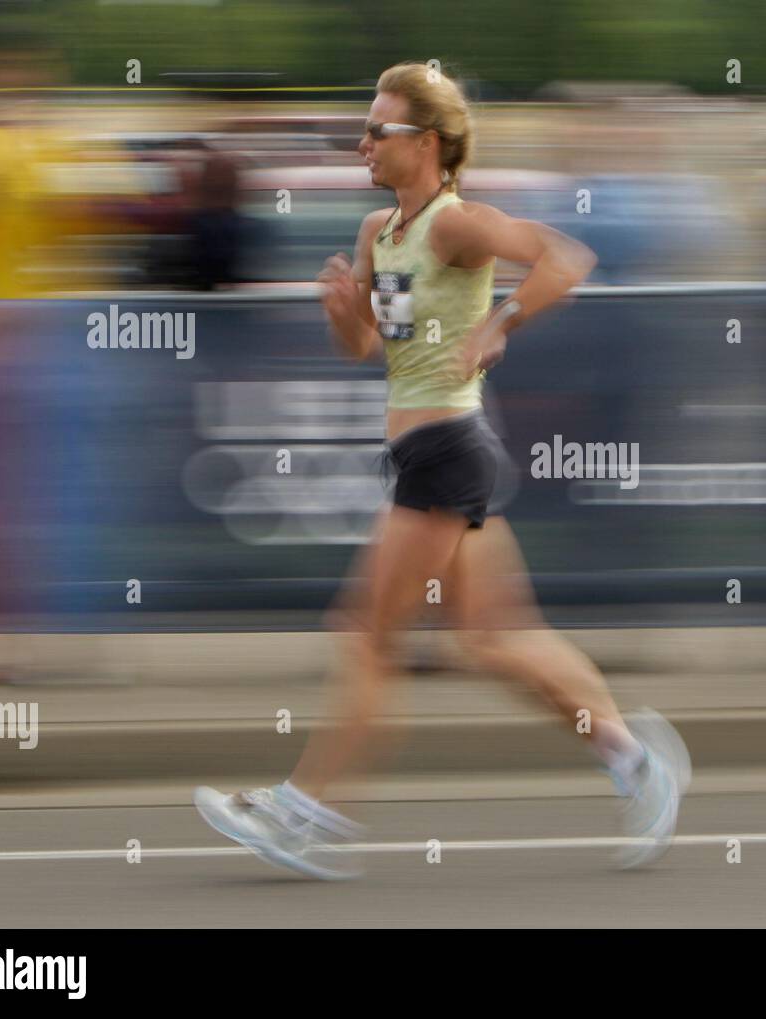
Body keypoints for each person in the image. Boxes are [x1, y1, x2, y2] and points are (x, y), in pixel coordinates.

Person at [194, 62, 690, 878]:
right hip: (430, 453)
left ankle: (305, 813)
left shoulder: (457, 226)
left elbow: (565, 257)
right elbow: (368, 351)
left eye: (376, 132)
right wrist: (344, 316)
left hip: (448, 451)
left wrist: (503, 320)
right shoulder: (376, 234)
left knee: (365, 637)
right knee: (491, 639)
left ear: (424, 143)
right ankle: (636, 760)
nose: (361, 144)